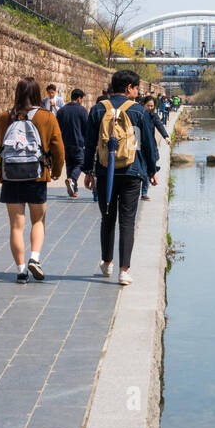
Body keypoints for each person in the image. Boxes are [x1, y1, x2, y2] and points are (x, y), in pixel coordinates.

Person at [84, 70, 158, 286]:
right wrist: (151, 171)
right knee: (127, 221)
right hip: (131, 172)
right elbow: (148, 144)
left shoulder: (98, 110)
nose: (137, 92)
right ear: (128, 88)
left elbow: (90, 144)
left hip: (104, 171)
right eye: (136, 88)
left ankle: (107, 262)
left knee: (107, 218)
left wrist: (88, 171)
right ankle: (124, 271)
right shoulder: (139, 111)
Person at [0, 77, 65, 283]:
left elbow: (1, 140)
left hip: (11, 176)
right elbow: (58, 148)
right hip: (37, 174)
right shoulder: (47, 117)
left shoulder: (5, 116)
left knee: (16, 225)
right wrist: (57, 171)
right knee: (38, 220)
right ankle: (35, 258)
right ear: (36, 94)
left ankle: (21, 270)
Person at [56, 88, 90, 198]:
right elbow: (87, 128)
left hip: (65, 142)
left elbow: (57, 128)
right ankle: (72, 179)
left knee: (69, 165)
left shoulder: (61, 111)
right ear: (79, 99)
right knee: (80, 164)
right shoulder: (82, 110)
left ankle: (73, 190)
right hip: (78, 142)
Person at [139, 95, 168, 201]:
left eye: (152, 106)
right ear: (143, 104)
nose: (150, 108)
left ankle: (144, 193)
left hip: (150, 146)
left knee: (147, 169)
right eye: (148, 106)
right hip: (139, 146)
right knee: (143, 169)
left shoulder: (153, 116)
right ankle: (141, 191)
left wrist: (166, 137)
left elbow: (159, 125)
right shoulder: (139, 114)